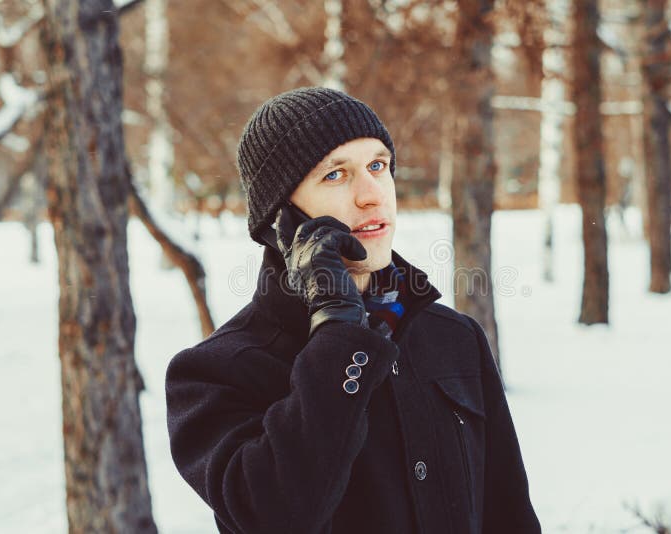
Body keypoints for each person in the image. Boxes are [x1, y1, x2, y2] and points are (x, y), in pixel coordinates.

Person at [165, 87, 540, 534]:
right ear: (280, 220)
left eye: (378, 166)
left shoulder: (455, 338)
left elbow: (509, 515)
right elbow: (277, 517)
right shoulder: (214, 372)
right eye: (335, 175)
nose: (371, 195)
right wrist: (338, 333)